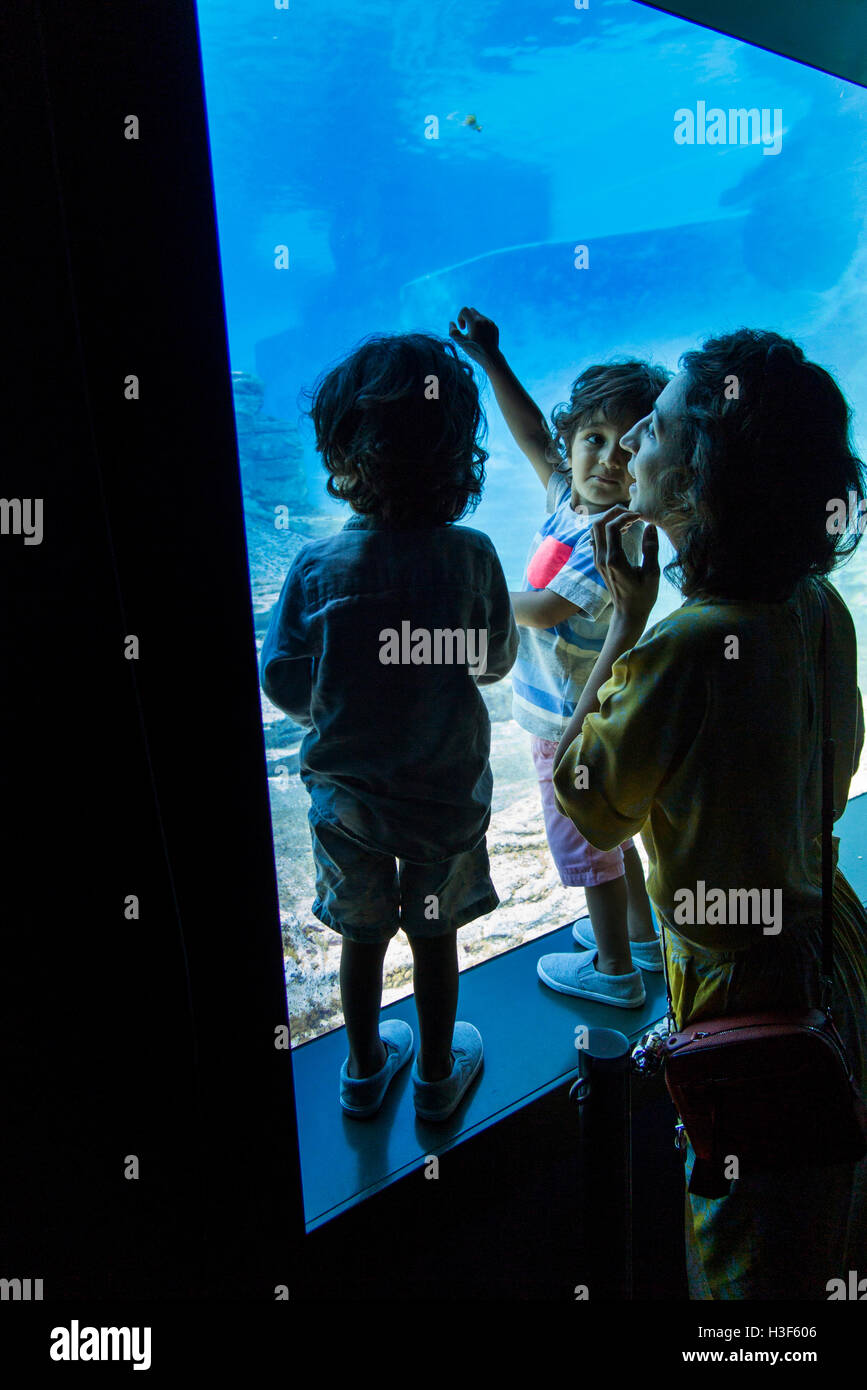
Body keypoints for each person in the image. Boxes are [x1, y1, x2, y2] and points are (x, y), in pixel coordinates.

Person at [551, 327, 867, 1299]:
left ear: (698, 480)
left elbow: (585, 802)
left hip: (740, 1005)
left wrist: (626, 622)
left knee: (750, 1265)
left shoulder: (684, 650)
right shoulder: (817, 604)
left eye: (655, 427)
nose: (629, 439)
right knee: (827, 1228)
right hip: (833, 951)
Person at [260, 333, 518, 1122]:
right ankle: (437, 1076)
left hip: (348, 801)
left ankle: (364, 1068)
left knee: (362, 933)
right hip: (442, 796)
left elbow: (281, 679)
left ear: (342, 452)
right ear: (459, 455)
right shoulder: (470, 556)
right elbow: (494, 662)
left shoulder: (315, 566)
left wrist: (339, 703)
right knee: (434, 933)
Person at [450, 306, 669, 1006]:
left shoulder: (614, 533)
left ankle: (614, 972)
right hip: (581, 712)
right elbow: (529, 434)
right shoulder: (568, 502)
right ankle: (641, 939)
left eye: (628, 448)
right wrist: (491, 359)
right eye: (593, 439)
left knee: (583, 844)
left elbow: (546, 609)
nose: (607, 460)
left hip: (567, 724)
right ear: (571, 442)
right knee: (610, 831)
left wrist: (470, 589)